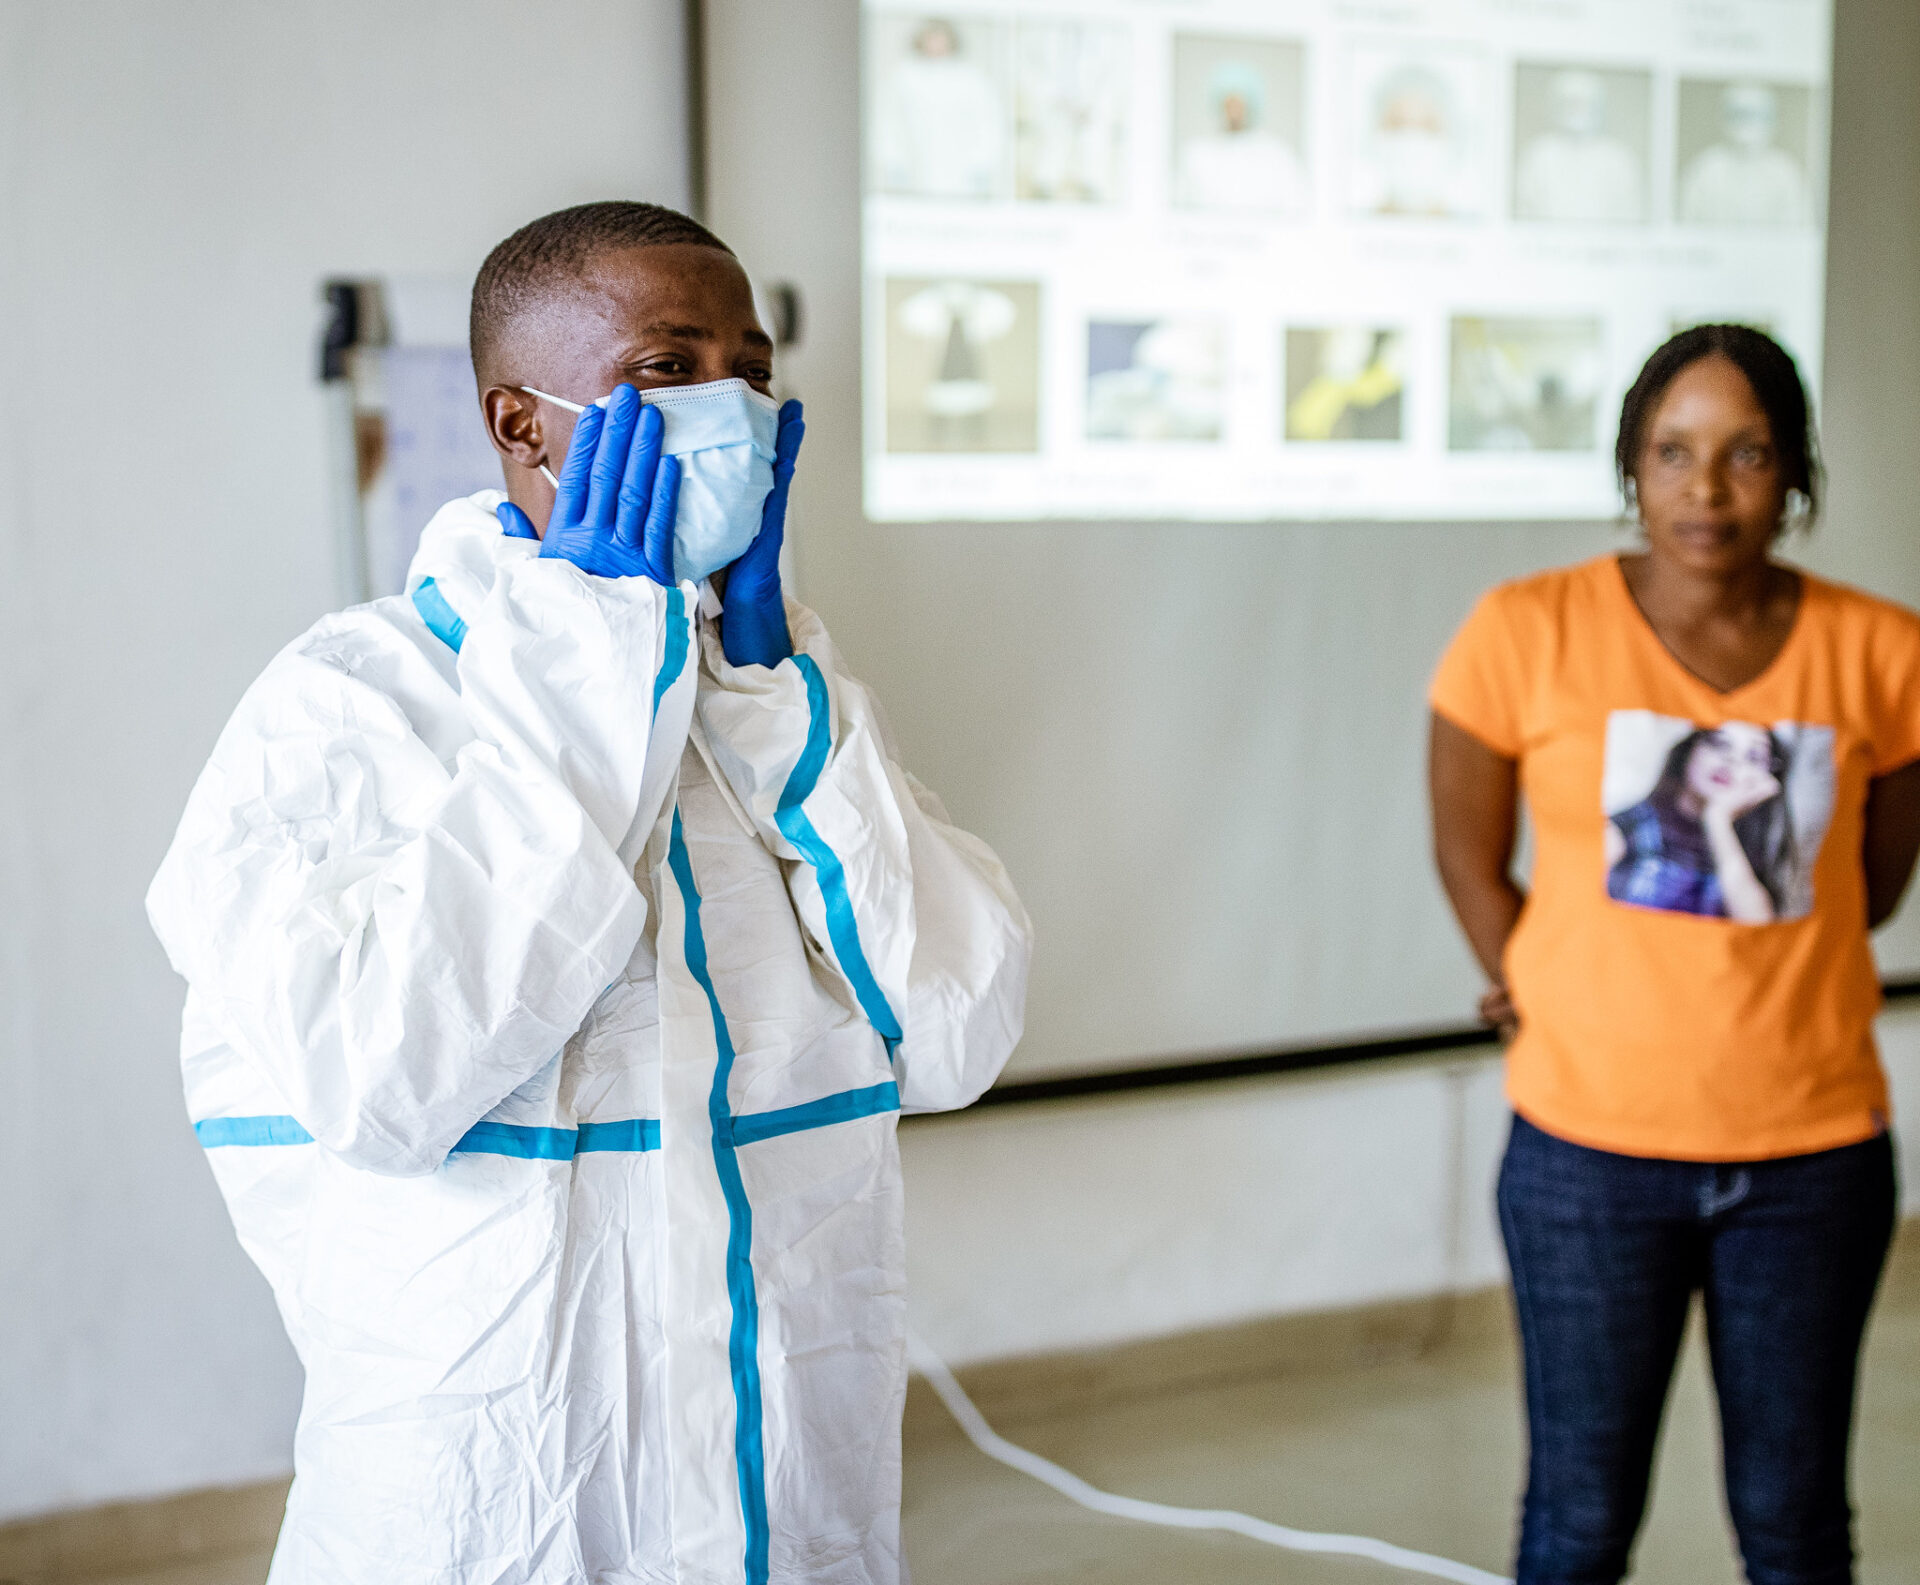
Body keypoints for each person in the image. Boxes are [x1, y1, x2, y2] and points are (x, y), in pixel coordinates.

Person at [147, 201, 1033, 1585]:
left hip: (779, 1496)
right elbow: (392, 1070)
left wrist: (767, 694)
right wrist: (586, 666)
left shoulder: (766, 702)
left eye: (752, 369)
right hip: (486, 1513)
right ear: (522, 424)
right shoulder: (350, 707)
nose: (727, 409)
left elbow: (955, 1029)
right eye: (669, 371)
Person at [1428, 323, 1920, 1585]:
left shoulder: (1885, 653)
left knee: (1797, 1523)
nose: (1707, 490)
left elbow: (1865, 894)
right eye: (1674, 452)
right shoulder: (1523, 628)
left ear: (1796, 473)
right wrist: (1529, 974)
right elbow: (1470, 857)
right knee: (1580, 1521)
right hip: (1587, 1162)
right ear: (1633, 469)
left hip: (1812, 1161)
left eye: (1748, 454)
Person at [1175, 57, 1310, 214]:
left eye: (1238, 103)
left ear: (1250, 103)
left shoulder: (1277, 155)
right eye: (1228, 103)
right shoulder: (1196, 154)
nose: (1233, 111)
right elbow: (1179, 209)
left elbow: (1297, 209)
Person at [1513, 67, 1645, 223]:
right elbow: (1525, 210)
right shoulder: (1538, 154)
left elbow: (1630, 214)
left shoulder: (1618, 158)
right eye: (1570, 102)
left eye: (1583, 103)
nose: (1576, 110)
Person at [1678, 81, 1812, 226]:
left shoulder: (1786, 172)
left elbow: (1799, 228)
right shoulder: (1704, 170)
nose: (1747, 124)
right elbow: (1687, 226)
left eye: (1757, 115)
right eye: (1740, 114)